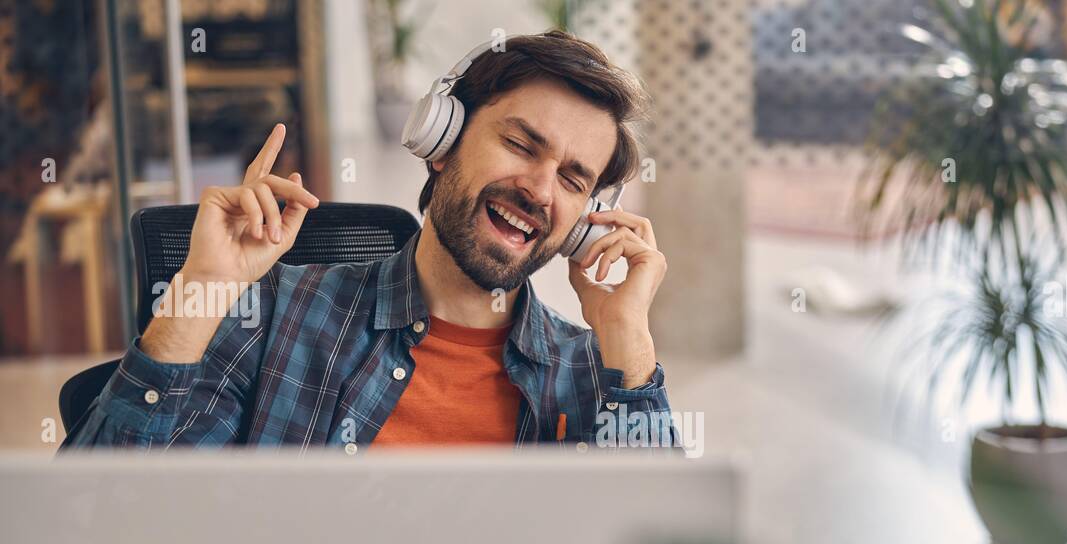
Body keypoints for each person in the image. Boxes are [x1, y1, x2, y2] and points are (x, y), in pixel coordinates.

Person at [64, 30, 674, 451]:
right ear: (441, 142)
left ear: (588, 216)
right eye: (520, 145)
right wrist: (201, 291)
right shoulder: (274, 313)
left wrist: (630, 337)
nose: (542, 191)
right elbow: (109, 506)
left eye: (573, 179)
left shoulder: (596, 374)